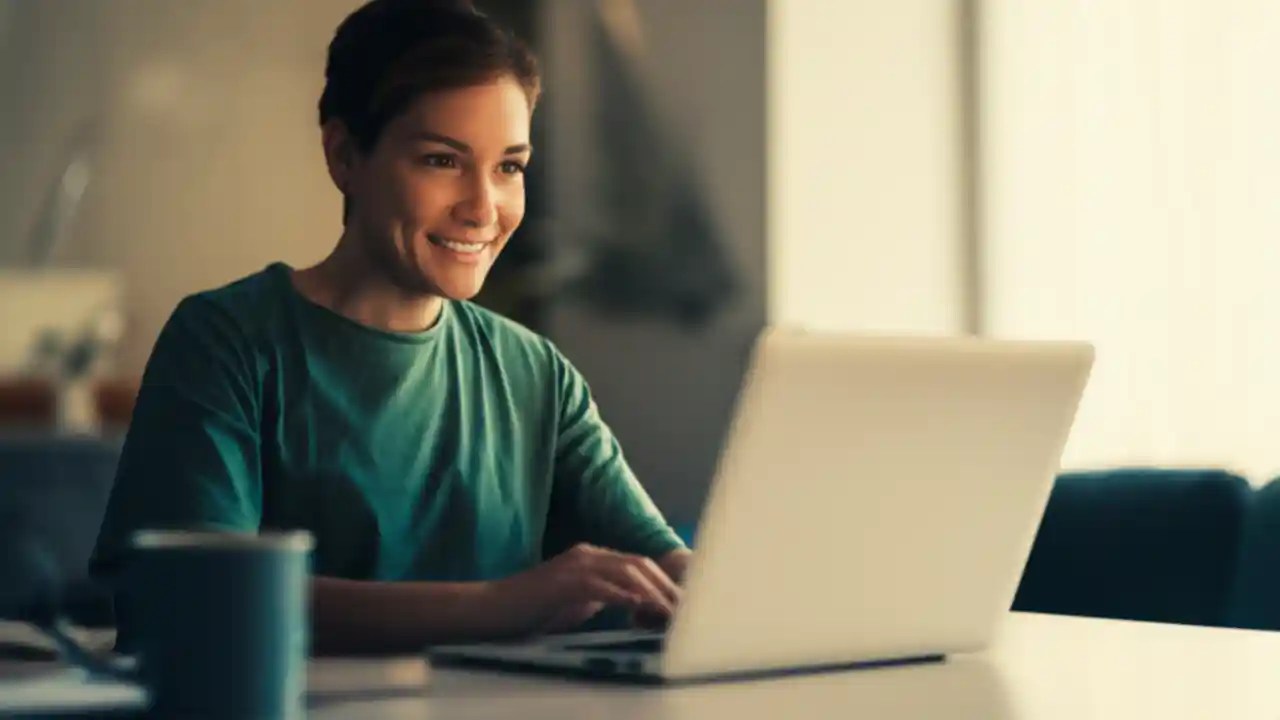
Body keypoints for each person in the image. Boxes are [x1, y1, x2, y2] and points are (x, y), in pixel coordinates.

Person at [89, 0, 690, 654]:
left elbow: (663, 565)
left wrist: (715, 588)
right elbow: (199, 595)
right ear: (345, 156)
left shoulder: (537, 375)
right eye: (442, 160)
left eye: (509, 167)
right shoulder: (228, 342)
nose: (483, 208)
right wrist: (503, 604)